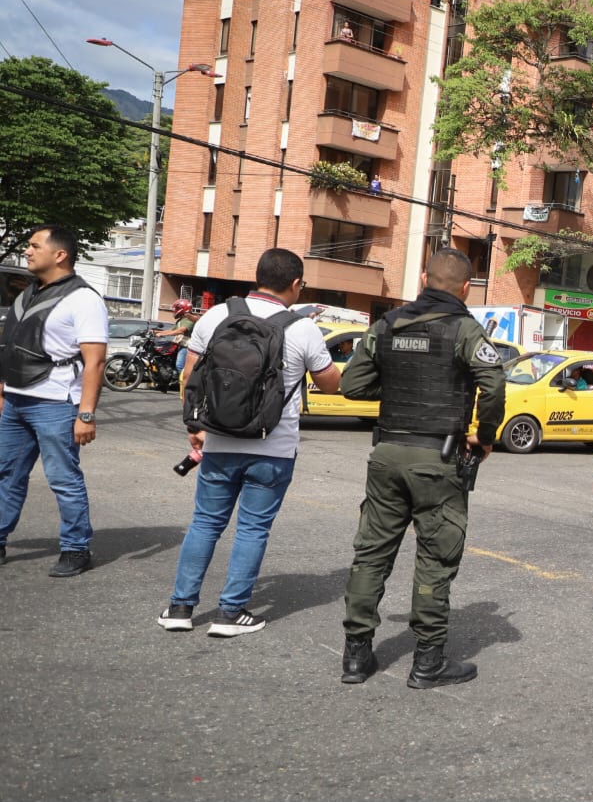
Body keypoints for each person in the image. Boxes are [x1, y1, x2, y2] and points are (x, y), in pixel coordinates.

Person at [338, 249, 507, 687]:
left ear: (423, 279)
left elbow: (352, 385)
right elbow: (494, 383)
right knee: (435, 556)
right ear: (465, 288)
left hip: (387, 452)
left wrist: (394, 386)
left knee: (372, 553)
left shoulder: (387, 324)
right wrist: (485, 437)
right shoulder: (465, 330)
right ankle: (427, 661)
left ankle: (356, 656)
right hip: (438, 458)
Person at [159, 249, 338, 636]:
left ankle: (180, 607)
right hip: (273, 447)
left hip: (219, 441)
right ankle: (230, 613)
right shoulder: (302, 327)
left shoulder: (216, 316)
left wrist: (194, 424)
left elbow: (190, 374)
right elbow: (330, 382)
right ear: (296, 284)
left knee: (205, 523)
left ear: (256, 277)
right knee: (252, 529)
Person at [0, 226, 108, 576]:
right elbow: (10, 346)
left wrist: (86, 415)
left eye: (34, 246)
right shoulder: (27, 293)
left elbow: (95, 361)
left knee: (63, 478)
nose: (28, 251)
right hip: (16, 398)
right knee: (6, 474)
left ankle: (76, 548)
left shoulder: (84, 299)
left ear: (59, 255)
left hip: (57, 403)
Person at [152, 298, 202, 376]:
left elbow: (180, 331)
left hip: (187, 346)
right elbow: (171, 330)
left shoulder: (189, 319)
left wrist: (163, 334)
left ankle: (185, 384)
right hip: (181, 345)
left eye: (176, 308)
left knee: (179, 366)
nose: (174, 310)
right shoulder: (181, 320)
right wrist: (157, 332)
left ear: (182, 309)